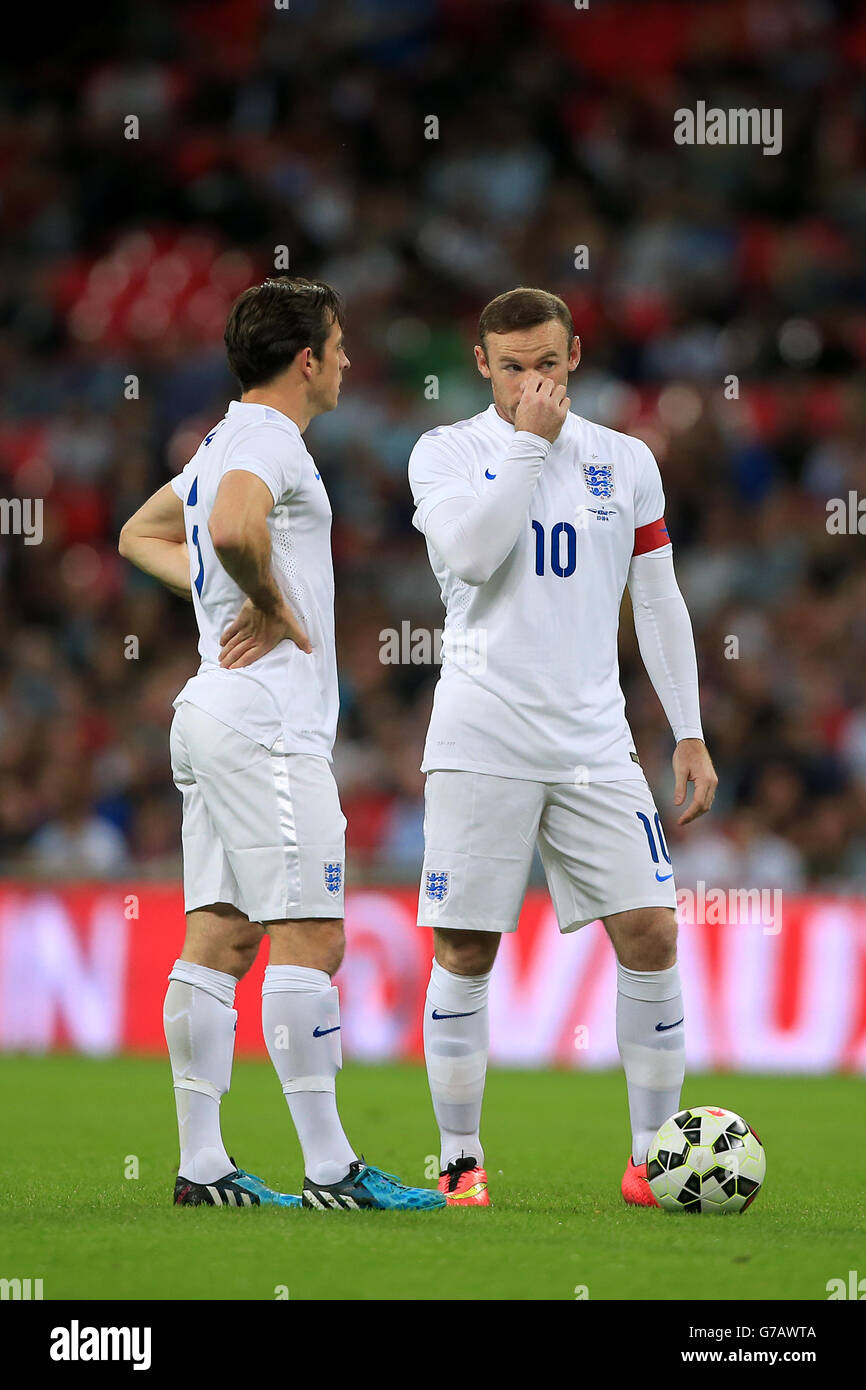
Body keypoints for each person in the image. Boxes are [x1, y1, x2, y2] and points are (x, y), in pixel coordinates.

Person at [120, 275, 444, 1211]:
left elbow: (140, 534)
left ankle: (201, 1166)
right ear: (307, 359)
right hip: (266, 723)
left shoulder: (219, 438)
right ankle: (333, 1172)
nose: (346, 360)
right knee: (313, 936)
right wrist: (262, 601)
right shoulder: (270, 437)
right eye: (338, 345)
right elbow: (229, 529)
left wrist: (224, 594)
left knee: (219, 936)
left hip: (212, 710)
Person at [407, 286, 717, 1207]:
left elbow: (657, 599)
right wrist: (528, 445)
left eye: (547, 363)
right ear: (482, 365)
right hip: (481, 734)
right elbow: (470, 556)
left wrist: (690, 730)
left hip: (594, 742)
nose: (531, 382)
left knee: (652, 930)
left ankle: (655, 1160)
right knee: (465, 947)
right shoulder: (446, 453)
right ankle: (460, 1160)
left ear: (574, 355)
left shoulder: (625, 461)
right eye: (513, 367)